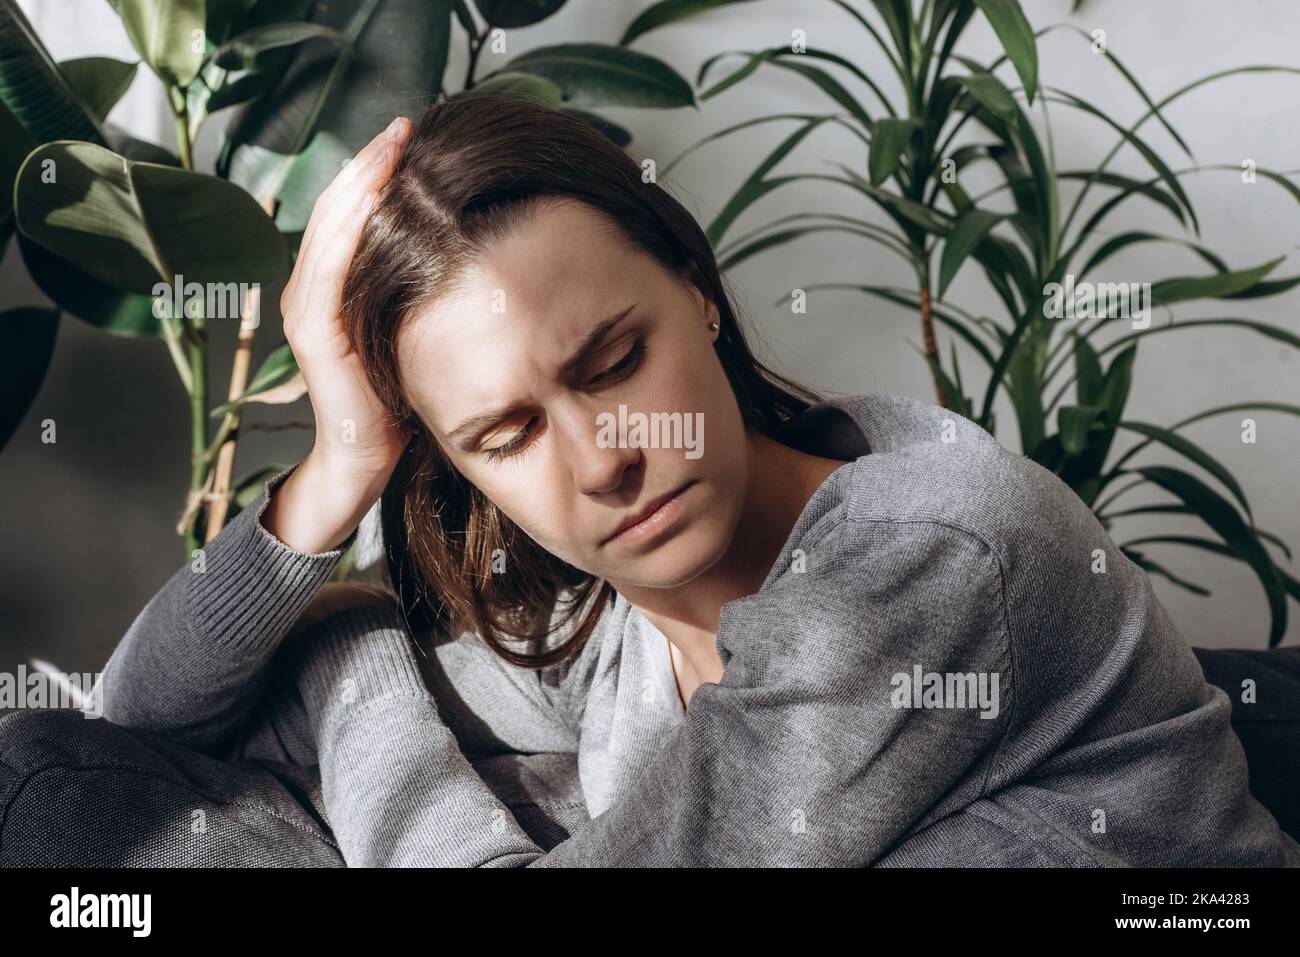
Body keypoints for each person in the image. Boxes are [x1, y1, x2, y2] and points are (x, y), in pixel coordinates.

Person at [3, 94, 1297, 867]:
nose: (603, 456)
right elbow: (115, 731)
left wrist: (358, 676)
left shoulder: (930, 548)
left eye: (614, 360)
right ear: (455, 463)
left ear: (697, 289)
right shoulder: (602, 627)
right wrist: (342, 462)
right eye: (505, 433)